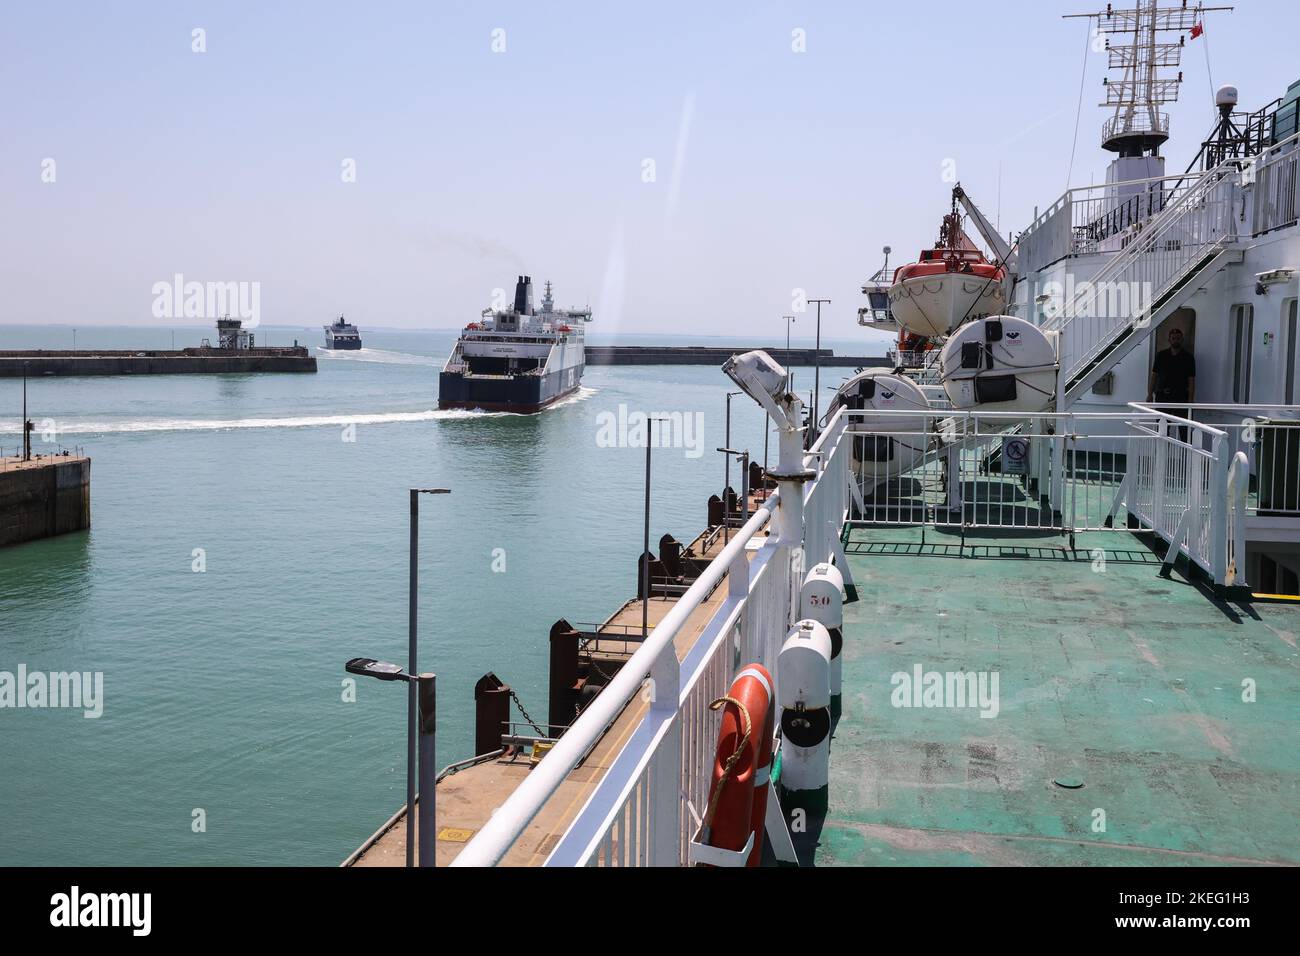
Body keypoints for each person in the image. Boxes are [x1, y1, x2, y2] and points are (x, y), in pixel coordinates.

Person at [1147, 327, 1196, 440]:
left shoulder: (1188, 358)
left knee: (1184, 430)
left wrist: (1190, 401)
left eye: (1178, 338)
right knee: (1162, 429)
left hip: (1181, 397)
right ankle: (1162, 455)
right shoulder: (1161, 356)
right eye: (1173, 338)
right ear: (1169, 340)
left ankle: (1185, 456)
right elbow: (1154, 376)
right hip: (1163, 396)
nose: (1176, 340)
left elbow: (1191, 380)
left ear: (1182, 340)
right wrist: (1149, 394)